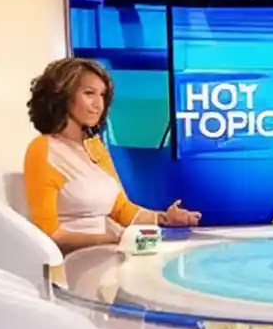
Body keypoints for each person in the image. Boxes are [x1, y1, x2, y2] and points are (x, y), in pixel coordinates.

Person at [23, 57, 199, 253]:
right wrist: (111, 239)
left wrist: (165, 218)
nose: (98, 104)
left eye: (102, 95)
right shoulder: (43, 150)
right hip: (74, 260)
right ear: (62, 95)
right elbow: (48, 234)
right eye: (89, 93)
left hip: (110, 251)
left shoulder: (95, 146)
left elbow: (121, 209)